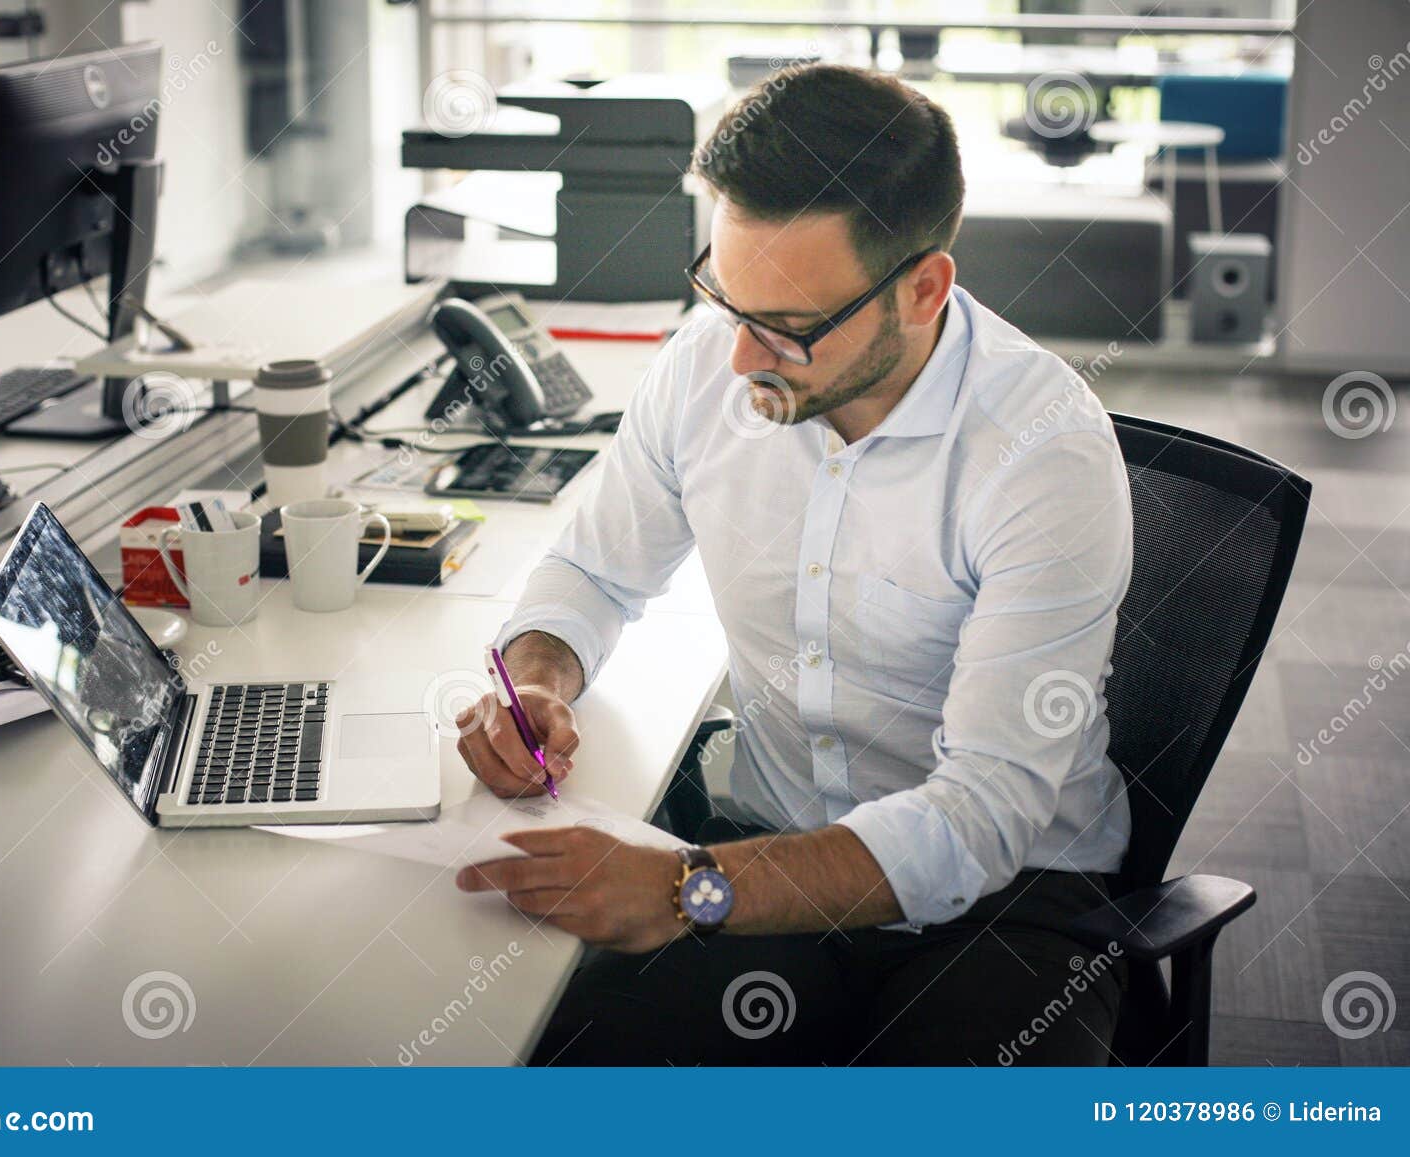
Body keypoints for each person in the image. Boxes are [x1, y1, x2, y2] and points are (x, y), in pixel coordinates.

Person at [453, 64, 1133, 1065]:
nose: (738, 360)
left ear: (922, 288)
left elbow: (980, 816)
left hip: (1008, 902)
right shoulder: (704, 365)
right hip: (763, 862)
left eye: (786, 326)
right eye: (726, 298)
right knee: (558, 1064)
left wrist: (689, 888)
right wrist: (538, 686)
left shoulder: (1043, 454)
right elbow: (592, 572)